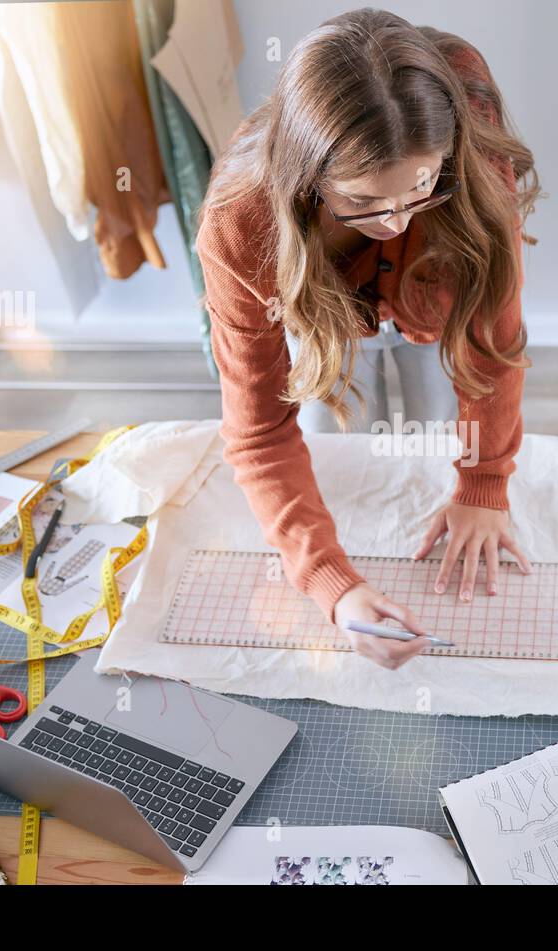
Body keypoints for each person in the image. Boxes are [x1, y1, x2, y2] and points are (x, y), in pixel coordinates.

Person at [197, 8, 539, 669]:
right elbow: (261, 432)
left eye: (421, 185)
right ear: (308, 179)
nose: (395, 219)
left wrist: (482, 484)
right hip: (318, 311)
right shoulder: (240, 224)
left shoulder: (471, 151)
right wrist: (331, 581)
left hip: (438, 299)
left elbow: (493, 346)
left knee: (438, 420)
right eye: (362, 201)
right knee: (340, 446)